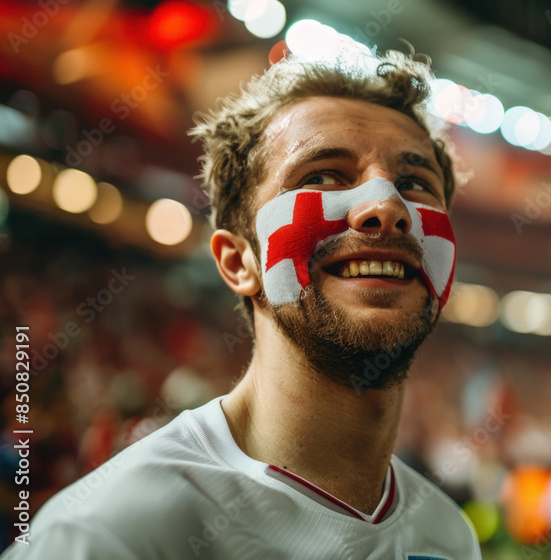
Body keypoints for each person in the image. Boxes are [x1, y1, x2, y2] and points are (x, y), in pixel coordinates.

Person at [4, 47, 480, 560]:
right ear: (239, 262)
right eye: (321, 176)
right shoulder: (107, 534)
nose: (387, 206)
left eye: (414, 183)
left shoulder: (448, 535)